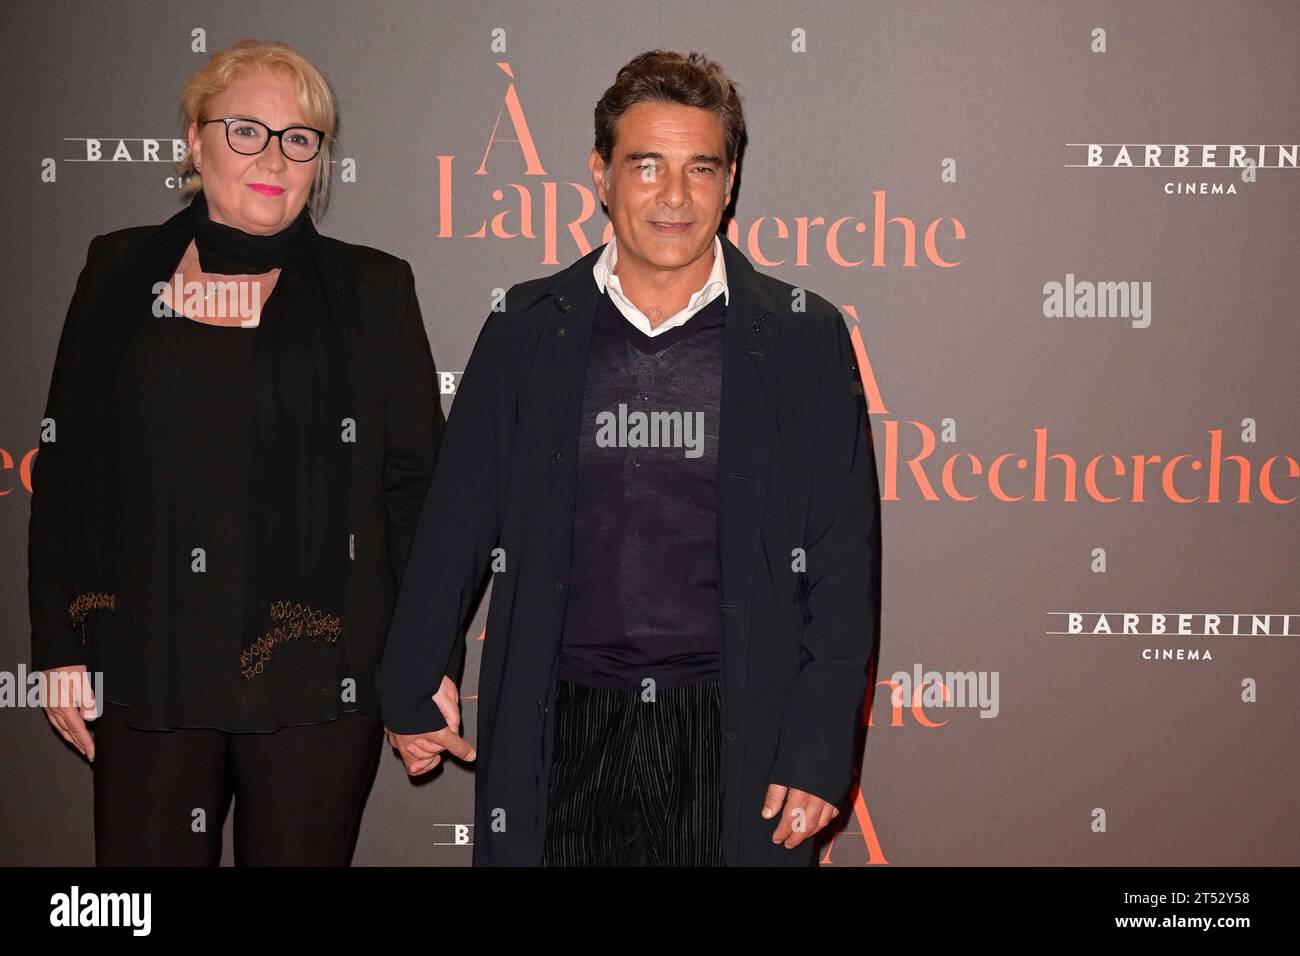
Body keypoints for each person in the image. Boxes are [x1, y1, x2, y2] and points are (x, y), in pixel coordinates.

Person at [377, 49, 881, 866]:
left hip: (735, 729)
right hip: (558, 721)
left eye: (700, 169)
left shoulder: (802, 337)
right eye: (646, 166)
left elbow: (842, 562)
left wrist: (820, 747)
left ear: (731, 180)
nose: (674, 196)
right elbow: (456, 521)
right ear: (600, 175)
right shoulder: (526, 327)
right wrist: (410, 677)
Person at [28, 38, 462, 865]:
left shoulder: (374, 291)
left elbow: (418, 499)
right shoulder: (117, 271)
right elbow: (67, 470)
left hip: (317, 683)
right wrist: (56, 647)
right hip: (149, 671)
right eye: (247, 132)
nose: (275, 158)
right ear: (195, 142)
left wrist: (423, 665)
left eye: (300, 139)